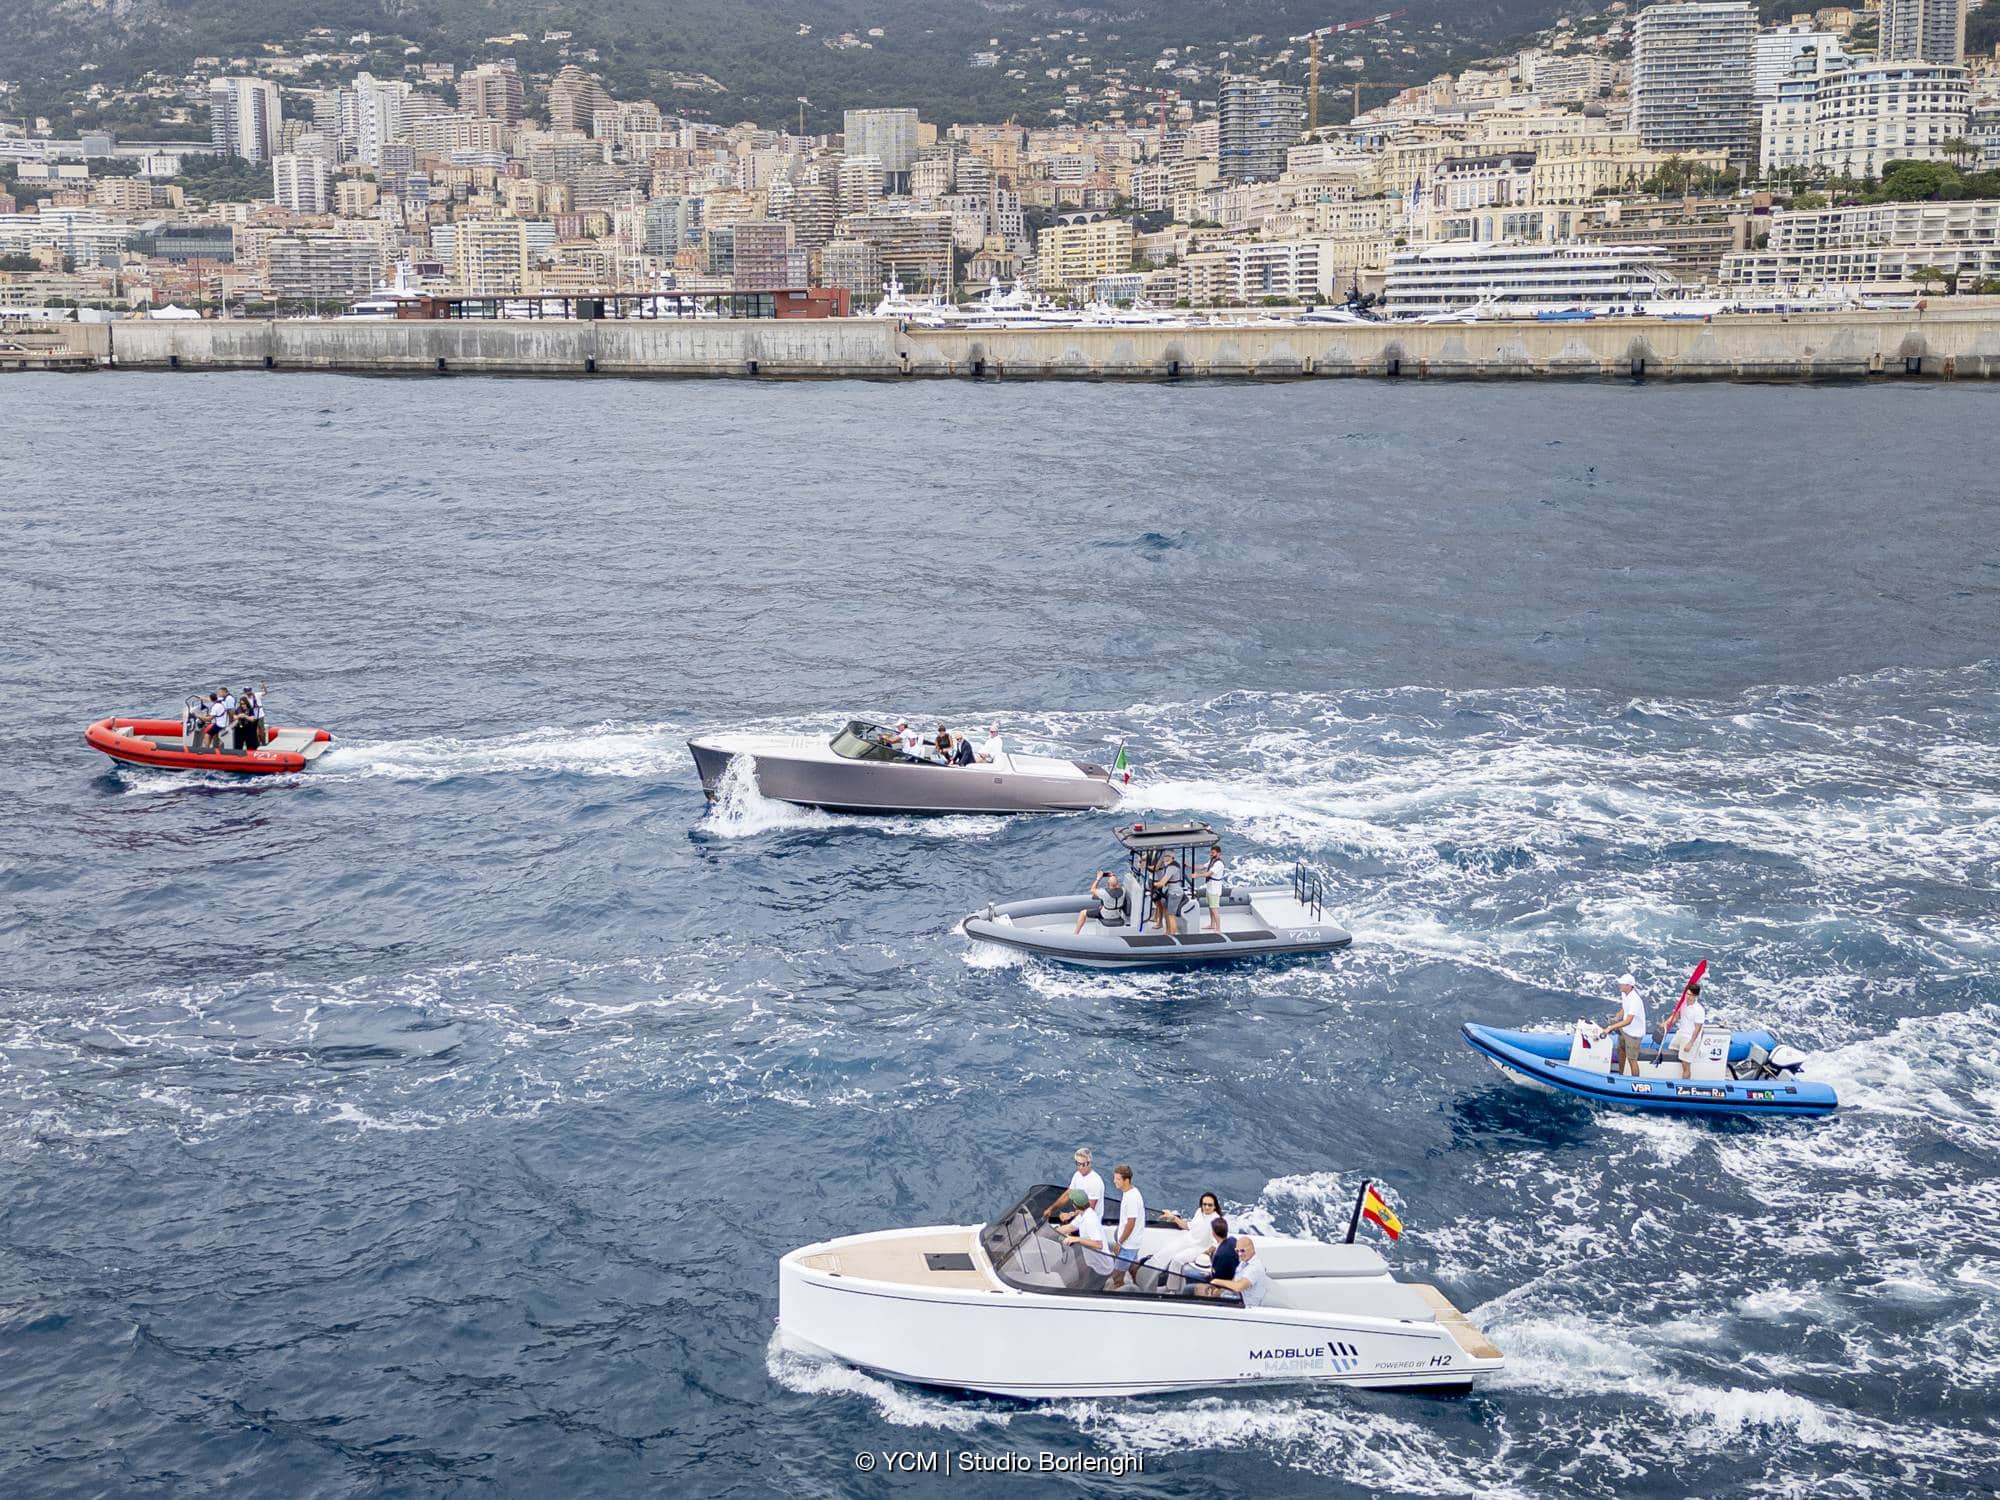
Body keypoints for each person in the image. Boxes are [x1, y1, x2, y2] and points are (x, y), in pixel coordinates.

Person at [1057, 1191, 1118, 1289]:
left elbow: (1099, 1245)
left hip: (1102, 1268)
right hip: (1092, 1264)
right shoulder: (1082, 1215)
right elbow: (1069, 1227)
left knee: (1088, 1291)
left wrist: (1076, 1239)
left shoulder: (1090, 1220)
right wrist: (1051, 1232)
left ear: (1074, 1205)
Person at [1595, 973, 1646, 1077]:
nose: (1620, 985)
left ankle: (1635, 1081)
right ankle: (1621, 1074)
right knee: (1621, 1050)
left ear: (1629, 986)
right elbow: (1625, 1008)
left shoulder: (1635, 1000)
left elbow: (1628, 1021)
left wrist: (1611, 1027)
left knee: (1632, 1059)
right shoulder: (1624, 994)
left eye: (1622, 984)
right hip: (1625, 1030)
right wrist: (1617, 1017)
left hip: (1634, 1034)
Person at [1105, 1164, 1145, 1290]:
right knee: (1132, 1268)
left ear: (1126, 1180)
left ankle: (1125, 1295)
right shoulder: (1130, 1193)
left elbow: (1131, 1223)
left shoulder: (1131, 1198)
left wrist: (1120, 1243)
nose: (1114, 1181)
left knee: (1117, 1277)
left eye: (1118, 1179)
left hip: (1128, 1245)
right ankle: (1138, 1286)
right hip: (1132, 1242)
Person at [1042, 1147, 1104, 1226]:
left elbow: (1089, 1210)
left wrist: (1070, 1215)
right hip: (1079, 1216)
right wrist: (1051, 1209)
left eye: (1083, 1164)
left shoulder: (1095, 1181)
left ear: (1089, 1163)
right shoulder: (1077, 1175)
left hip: (1090, 1222)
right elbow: (1068, 1194)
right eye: (1078, 1164)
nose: (1081, 1167)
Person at [1204, 1237, 1270, 1308]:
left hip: (1246, 1304)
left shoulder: (1255, 1267)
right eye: (1237, 1251)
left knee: (1210, 1296)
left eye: (1242, 1250)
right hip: (1239, 1296)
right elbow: (1235, 1281)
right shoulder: (1244, 1262)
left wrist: (1217, 1281)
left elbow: (1239, 1286)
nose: (1239, 1254)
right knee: (1215, 1291)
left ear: (1252, 1249)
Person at [1072, 870, 1132, 934]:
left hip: (1105, 915)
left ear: (1108, 884)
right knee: (1103, 906)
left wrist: (1098, 878)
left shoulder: (1104, 893)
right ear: (1118, 883)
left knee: (1083, 913)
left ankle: (1075, 933)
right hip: (1117, 915)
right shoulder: (1123, 891)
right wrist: (1113, 876)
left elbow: (1092, 890)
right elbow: (1115, 885)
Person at [1671, 982, 1708, 1078]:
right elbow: (1678, 1015)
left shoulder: (1699, 1010)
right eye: (1687, 994)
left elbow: (1698, 1028)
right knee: (1672, 1052)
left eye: (1690, 995)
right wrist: (1668, 1023)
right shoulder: (1683, 1003)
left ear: (1695, 996)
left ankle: (1685, 1083)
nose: (1688, 996)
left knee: (1685, 1064)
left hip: (1690, 1037)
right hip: (1681, 1033)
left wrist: (1691, 1043)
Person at [1191, 1220, 1238, 1295]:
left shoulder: (1220, 1255)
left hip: (1221, 1285)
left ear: (1213, 1233)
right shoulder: (1233, 1240)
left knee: (1189, 1280)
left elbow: (1216, 1279)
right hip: (1232, 1277)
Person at [1196, 843, 1225, 934]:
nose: (1211, 854)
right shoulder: (1212, 860)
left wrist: (1197, 875)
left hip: (1214, 889)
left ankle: (1218, 928)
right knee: (1210, 907)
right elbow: (1202, 867)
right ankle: (1212, 924)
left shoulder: (1219, 864)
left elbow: (1209, 873)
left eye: (1213, 853)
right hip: (1209, 887)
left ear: (1218, 853)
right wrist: (1189, 865)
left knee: (1214, 909)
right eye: (1210, 852)